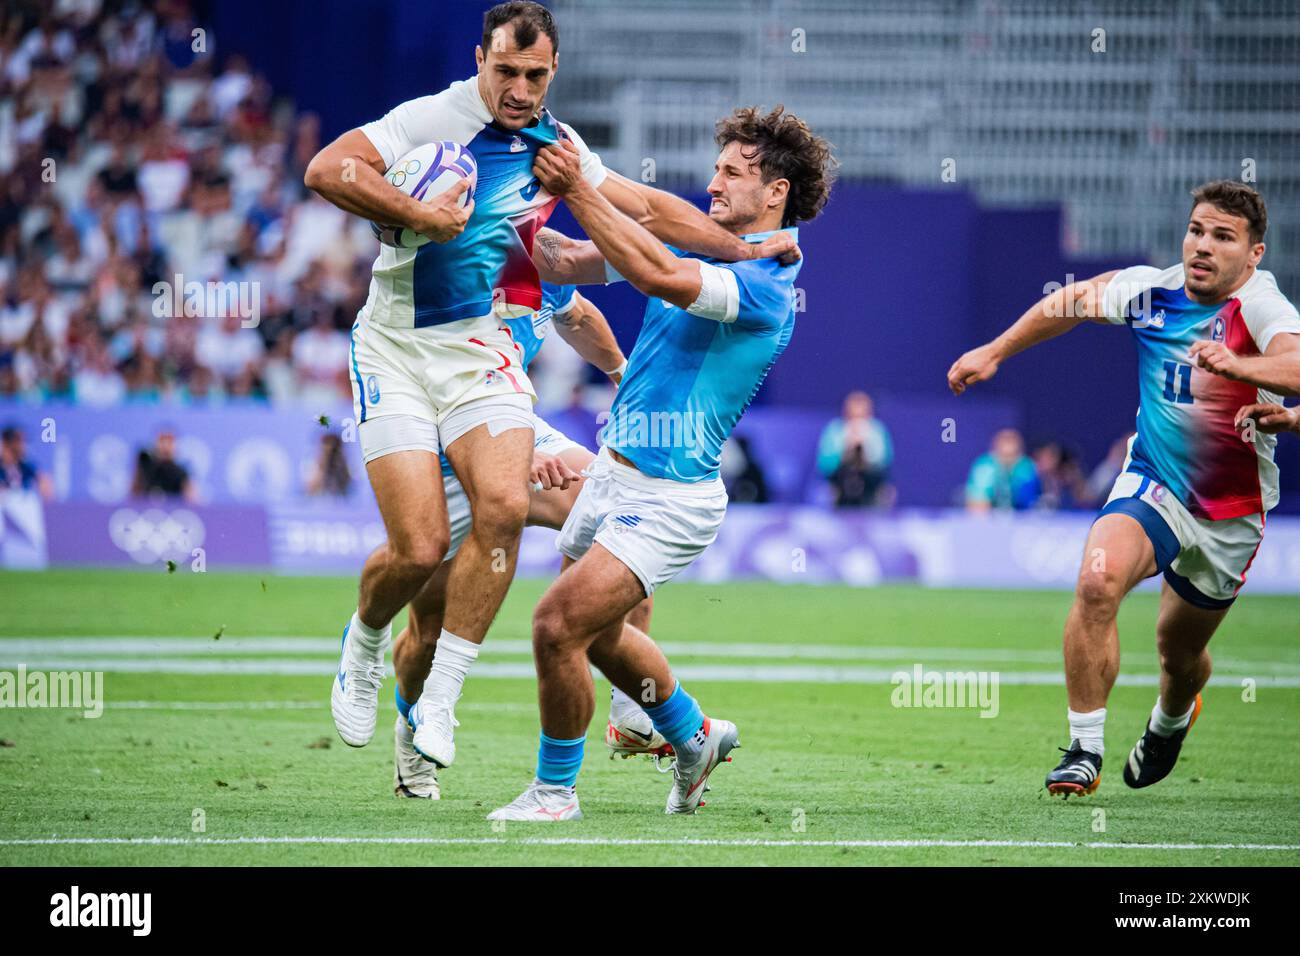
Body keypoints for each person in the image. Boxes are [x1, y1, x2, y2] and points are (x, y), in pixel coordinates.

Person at [307, 1, 795, 752]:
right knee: (417, 556)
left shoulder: (554, 147)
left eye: (535, 75)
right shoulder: (434, 118)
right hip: (398, 352)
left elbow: (649, 214)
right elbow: (326, 169)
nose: (520, 89)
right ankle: (366, 650)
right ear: (479, 60)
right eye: (506, 71)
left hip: (481, 362)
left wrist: (748, 252)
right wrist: (419, 215)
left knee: (567, 519)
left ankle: (462, 703)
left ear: (553, 71)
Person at [487, 104, 835, 821]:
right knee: (602, 637)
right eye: (715, 169)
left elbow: (658, 274)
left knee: (556, 626)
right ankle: (695, 736)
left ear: (776, 193)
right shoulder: (707, 242)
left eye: (732, 174)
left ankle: (555, 794)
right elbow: (573, 254)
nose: (714, 184)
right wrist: (502, 214)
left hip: (671, 496)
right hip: (613, 477)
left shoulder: (771, 280)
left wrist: (578, 187)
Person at [947, 180, 1300, 796]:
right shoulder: (1153, 291)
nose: (1203, 247)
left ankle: (1171, 718)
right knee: (1096, 580)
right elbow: (1072, 301)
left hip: (1229, 512)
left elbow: (1294, 366)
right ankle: (1084, 747)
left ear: (1254, 255)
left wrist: (1245, 372)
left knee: (1178, 653)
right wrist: (995, 351)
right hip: (1155, 481)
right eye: (1196, 230)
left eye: (1223, 237)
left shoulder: (1263, 308)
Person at [388, 283, 669, 800]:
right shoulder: (456, 259)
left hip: (512, 423)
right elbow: (414, 371)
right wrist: (504, 456)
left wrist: (623, 376)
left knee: (621, 500)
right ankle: (411, 727)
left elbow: (577, 314)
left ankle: (631, 708)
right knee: (427, 632)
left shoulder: (539, 255)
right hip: (436, 434)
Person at [816, 390, 891, 506]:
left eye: (862, 416)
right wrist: (846, 447)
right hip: (839, 483)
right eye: (853, 416)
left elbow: (884, 462)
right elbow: (825, 465)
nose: (857, 422)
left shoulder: (877, 430)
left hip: (871, 483)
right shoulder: (835, 430)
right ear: (846, 413)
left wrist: (866, 448)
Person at [964, 427, 1038, 512]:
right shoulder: (985, 465)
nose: (1008, 460)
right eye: (1004, 456)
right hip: (989, 517)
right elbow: (977, 500)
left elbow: (1031, 500)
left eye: (1012, 456)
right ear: (995, 449)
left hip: (1023, 518)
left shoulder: (1026, 465)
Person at [131, 428, 196, 502]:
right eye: (162, 440)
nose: (165, 445)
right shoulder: (146, 466)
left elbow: (192, 500)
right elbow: (134, 494)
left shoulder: (181, 472)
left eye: (170, 441)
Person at [0, 425, 53, 500]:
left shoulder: (25, 465)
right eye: (20, 441)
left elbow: (45, 484)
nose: (24, 445)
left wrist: (43, 482)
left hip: (22, 505)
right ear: (8, 443)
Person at [305, 432, 352, 497]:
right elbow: (311, 487)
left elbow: (347, 484)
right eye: (325, 449)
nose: (330, 453)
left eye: (333, 450)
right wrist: (323, 465)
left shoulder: (347, 465)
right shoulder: (312, 465)